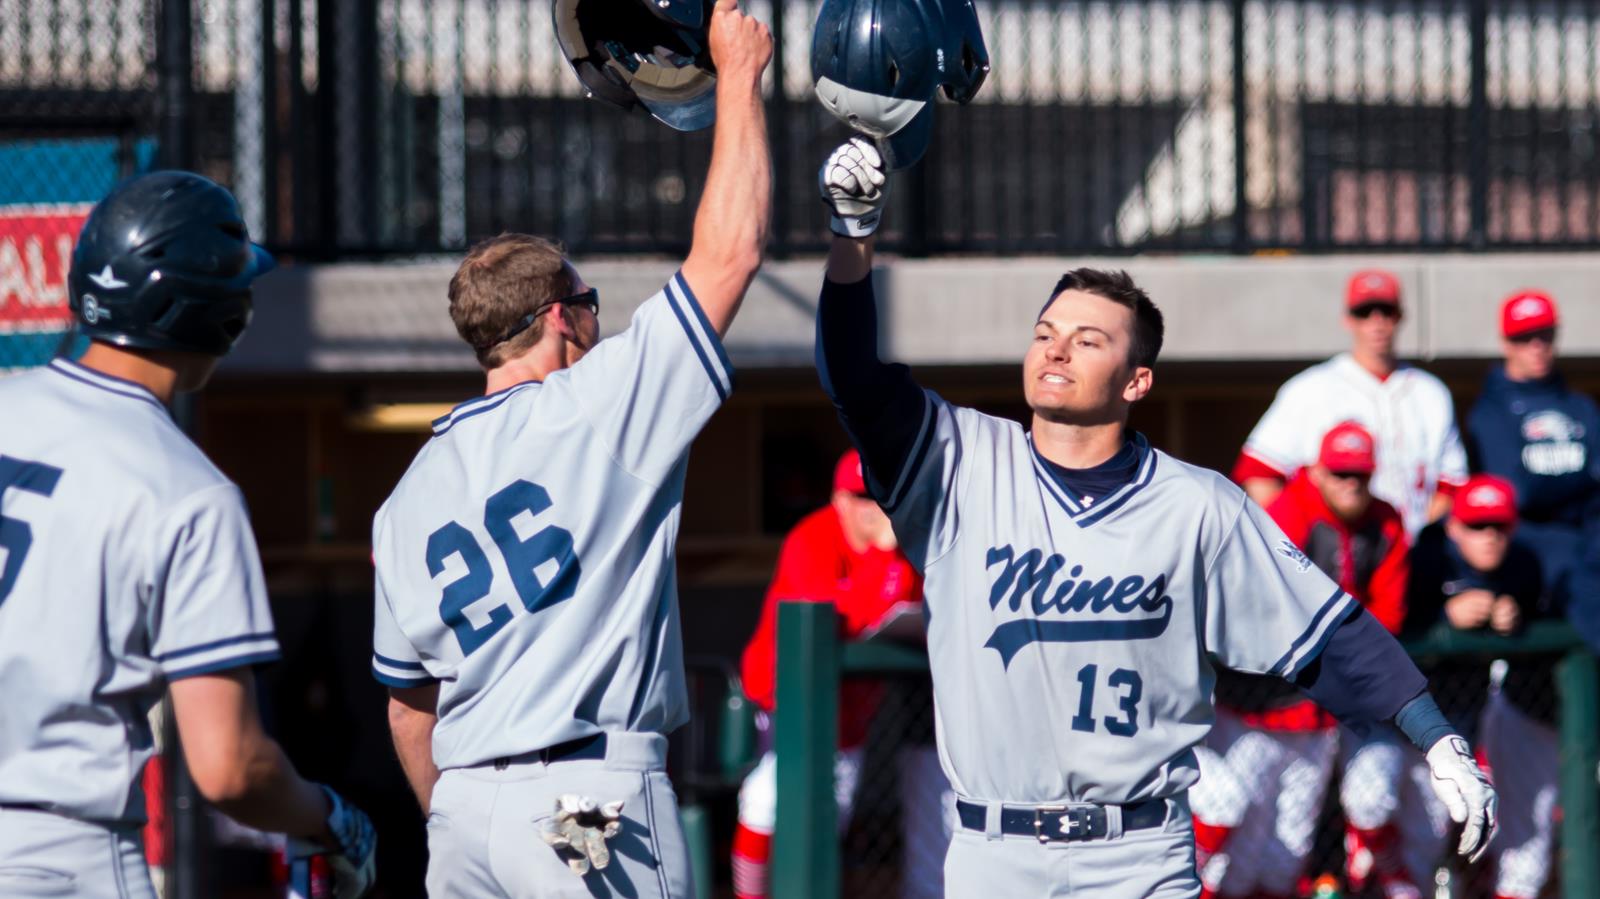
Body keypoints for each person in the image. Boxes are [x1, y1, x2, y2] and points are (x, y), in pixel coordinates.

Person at [811, 138, 1496, 897]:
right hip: (991, 850)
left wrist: (1436, 736)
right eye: (1045, 333)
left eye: (1087, 338)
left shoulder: (1197, 504)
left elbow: (1329, 631)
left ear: (1137, 379)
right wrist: (853, 240)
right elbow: (855, 380)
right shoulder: (960, 459)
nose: (1056, 348)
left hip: (1138, 855)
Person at [369, 3, 772, 895]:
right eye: (588, 300)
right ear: (560, 318)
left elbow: (408, 706)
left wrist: (463, 816)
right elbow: (730, 254)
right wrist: (739, 76)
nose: (599, 315)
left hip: (465, 810)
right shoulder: (596, 405)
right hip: (587, 794)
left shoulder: (404, 497)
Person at [0, 171, 374, 898]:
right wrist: (329, 816)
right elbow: (230, 766)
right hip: (56, 852)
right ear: (217, 313)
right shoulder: (187, 488)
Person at [1193, 422, 1413, 899]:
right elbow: (1268, 609)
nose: (1350, 484)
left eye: (1359, 474)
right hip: (1256, 709)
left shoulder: (1385, 520)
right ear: (1317, 471)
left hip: (1317, 717)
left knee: (1285, 854)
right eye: (1339, 473)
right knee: (1235, 847)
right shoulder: (1288, 511)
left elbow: (1389, 616)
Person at [732, 449, 939, 899]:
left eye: (881, 496)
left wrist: (888, 555)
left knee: (833, 816)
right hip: (784, 697)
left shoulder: (903, 543)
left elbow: (905, 608)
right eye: (862, 496)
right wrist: (883, 555)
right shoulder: (814, 537)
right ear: (839, 498)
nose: (873, 507)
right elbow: (832, 622)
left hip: (853, 708)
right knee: (766, 804)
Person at [1233, 268, 1468, 536]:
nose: (1376, 322)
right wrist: (1293, 545)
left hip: (1407, 553)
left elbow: (1451, 486)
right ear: (1348, 319)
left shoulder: (1431, 393)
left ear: (1400, 316)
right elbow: (1259, 473)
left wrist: (1417, 542)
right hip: (1326, 556)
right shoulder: (1310, 388)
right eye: (1365, 312)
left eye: (1386, 311)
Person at [1405, 475, 1553, 899]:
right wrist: (1439, 616)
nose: (1489, 537)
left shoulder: (1524, 565)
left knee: (1500, 826)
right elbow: (1382, 623)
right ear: (1453, 526)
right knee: (1413, 829)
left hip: (1480, 717)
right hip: (1408, 722)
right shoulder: (1428, 560)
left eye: (1498, 527)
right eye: (1476, 526)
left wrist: (1517, 613)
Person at [1464, 289, 1600, 612]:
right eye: (1525, 338)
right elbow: (1517, 494)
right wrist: (1580, 484)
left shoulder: (1580, 407)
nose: (1537, 346)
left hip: (1588, 534)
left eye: (1545, 335)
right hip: (1528, 542)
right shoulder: (1490, 411)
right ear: (1506, 343)